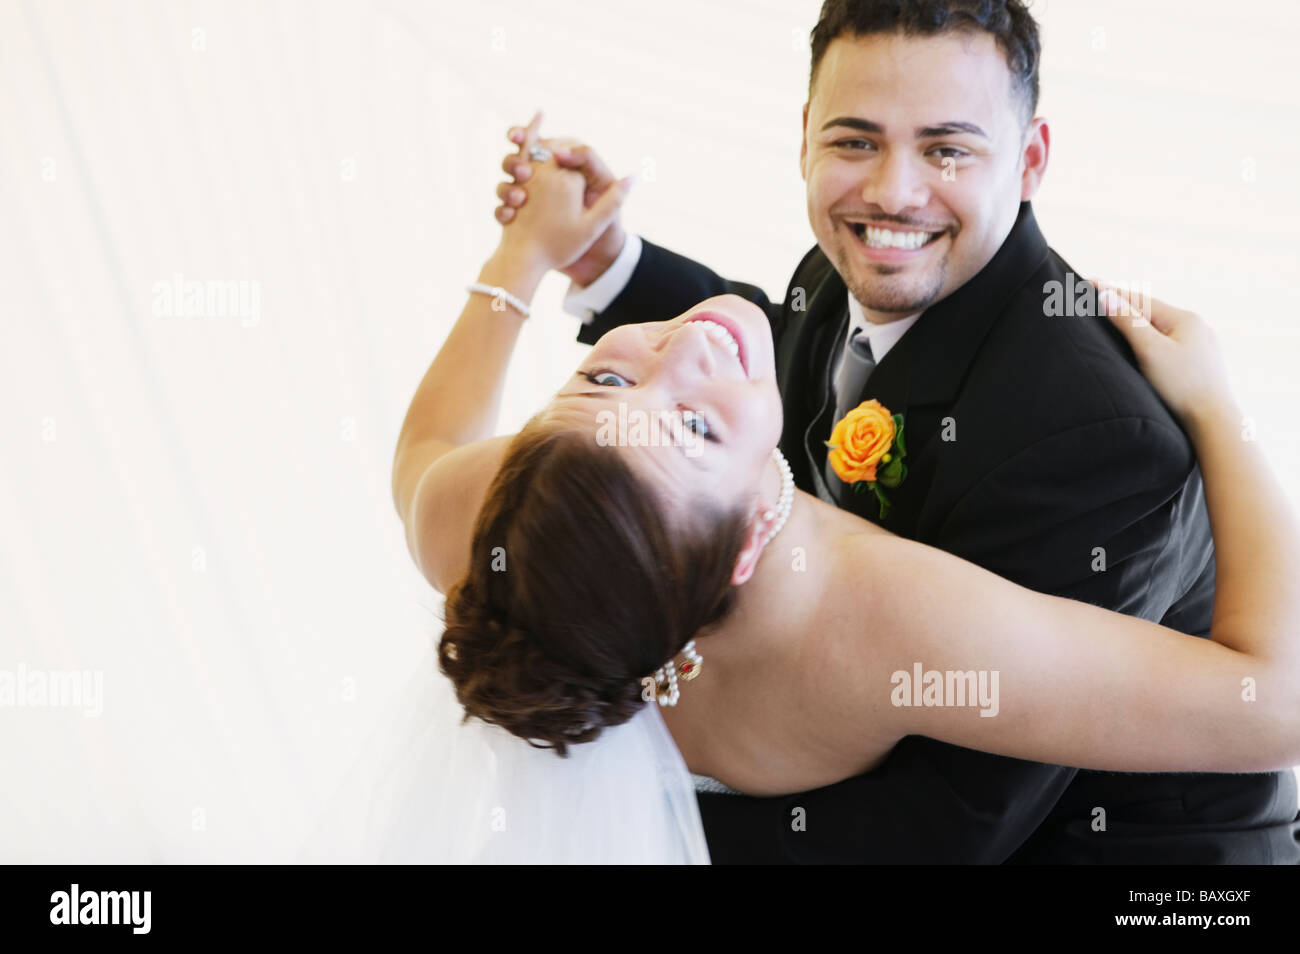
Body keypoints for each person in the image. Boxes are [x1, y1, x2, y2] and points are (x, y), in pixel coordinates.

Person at [487, 0, 1300, 863]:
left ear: (1029, 161)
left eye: (946, 148)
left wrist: (619, 812)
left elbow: (955, 818)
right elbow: (772, 347)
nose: (891, 193)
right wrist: (609, 262)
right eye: (855, 142)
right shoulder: (860, 261)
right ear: (805, 137)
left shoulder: (1096, 436)